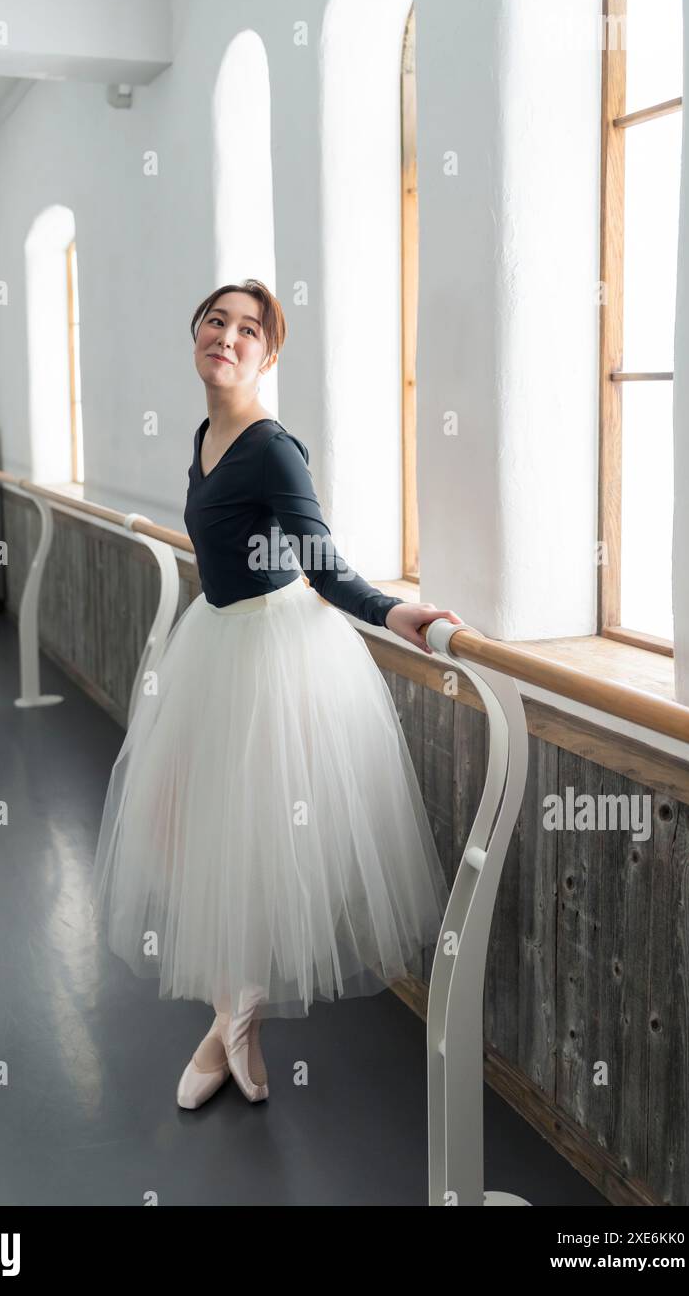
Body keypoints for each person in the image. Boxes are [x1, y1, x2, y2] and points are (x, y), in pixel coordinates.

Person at [90, 279, 463, 1110]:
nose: (227, 336)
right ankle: (233, 1012)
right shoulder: (204, 434)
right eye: (216, 321)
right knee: (181, 830)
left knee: (254, 844)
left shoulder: (271, 447)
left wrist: (397, 611)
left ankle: (235, 1021)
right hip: (215, 641)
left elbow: (322, 562)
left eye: (248, 330)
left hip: (276, 651)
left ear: (268, 354)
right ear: (197, 334)